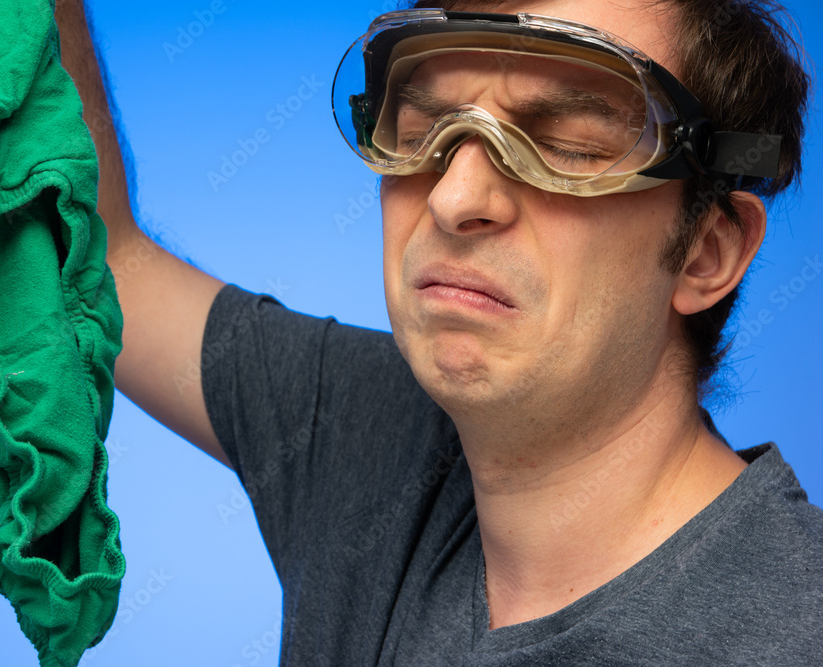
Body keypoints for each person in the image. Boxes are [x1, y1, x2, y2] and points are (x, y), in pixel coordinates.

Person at [58, 0, 823, 663]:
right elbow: (103, 259)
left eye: (567, 144)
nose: (454, 198)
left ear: (706, 251)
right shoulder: (364, 444)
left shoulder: (794, 631)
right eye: (424, 128)